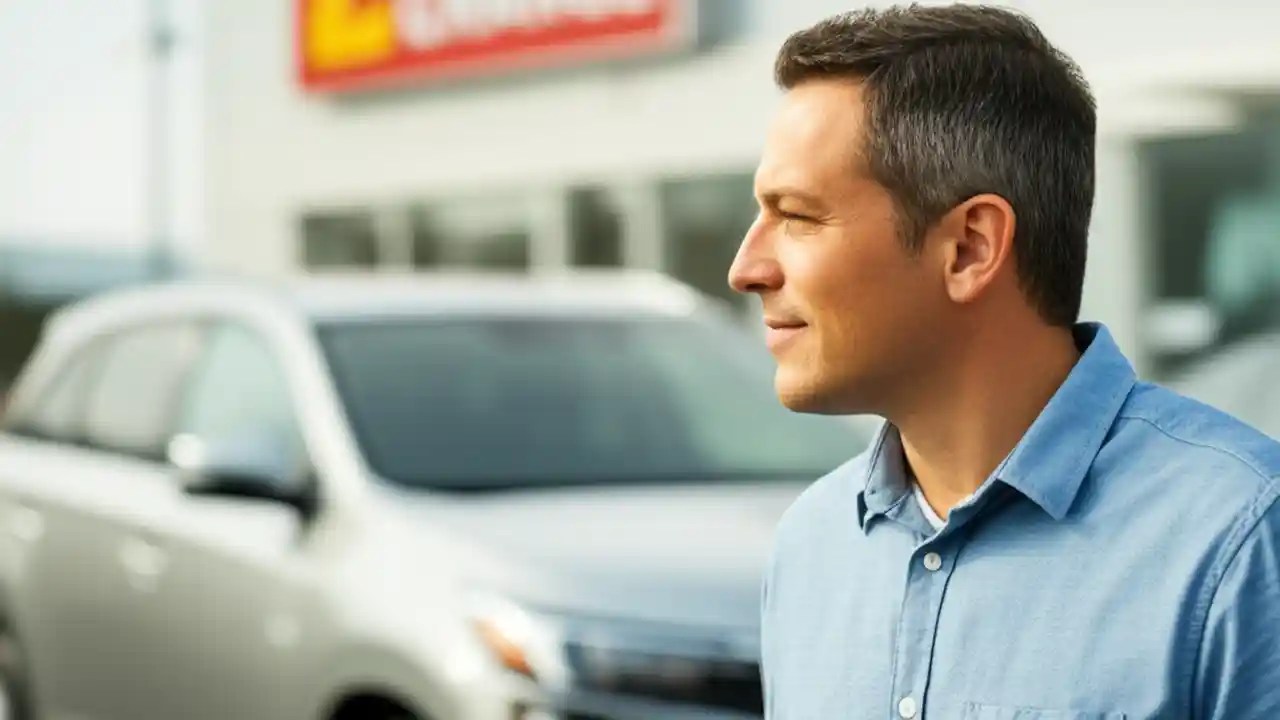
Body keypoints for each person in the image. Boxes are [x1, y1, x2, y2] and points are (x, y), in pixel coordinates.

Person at [727, 5, 1280, 720]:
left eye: (796, 216)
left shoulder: (1238, 540)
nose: (747, 267)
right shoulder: (811, 547)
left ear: (969, 248)